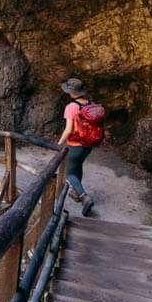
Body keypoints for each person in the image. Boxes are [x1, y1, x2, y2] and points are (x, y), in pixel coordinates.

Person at [58, 77, 97, 216]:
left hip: (75, 145)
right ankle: (76, 193)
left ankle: (84, 196)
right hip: (88, 145)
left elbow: (68, 130)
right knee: (78, 166)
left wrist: (59, 143)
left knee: (69, 173)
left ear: (72, 93)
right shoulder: (90, 104)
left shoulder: (71, 107)